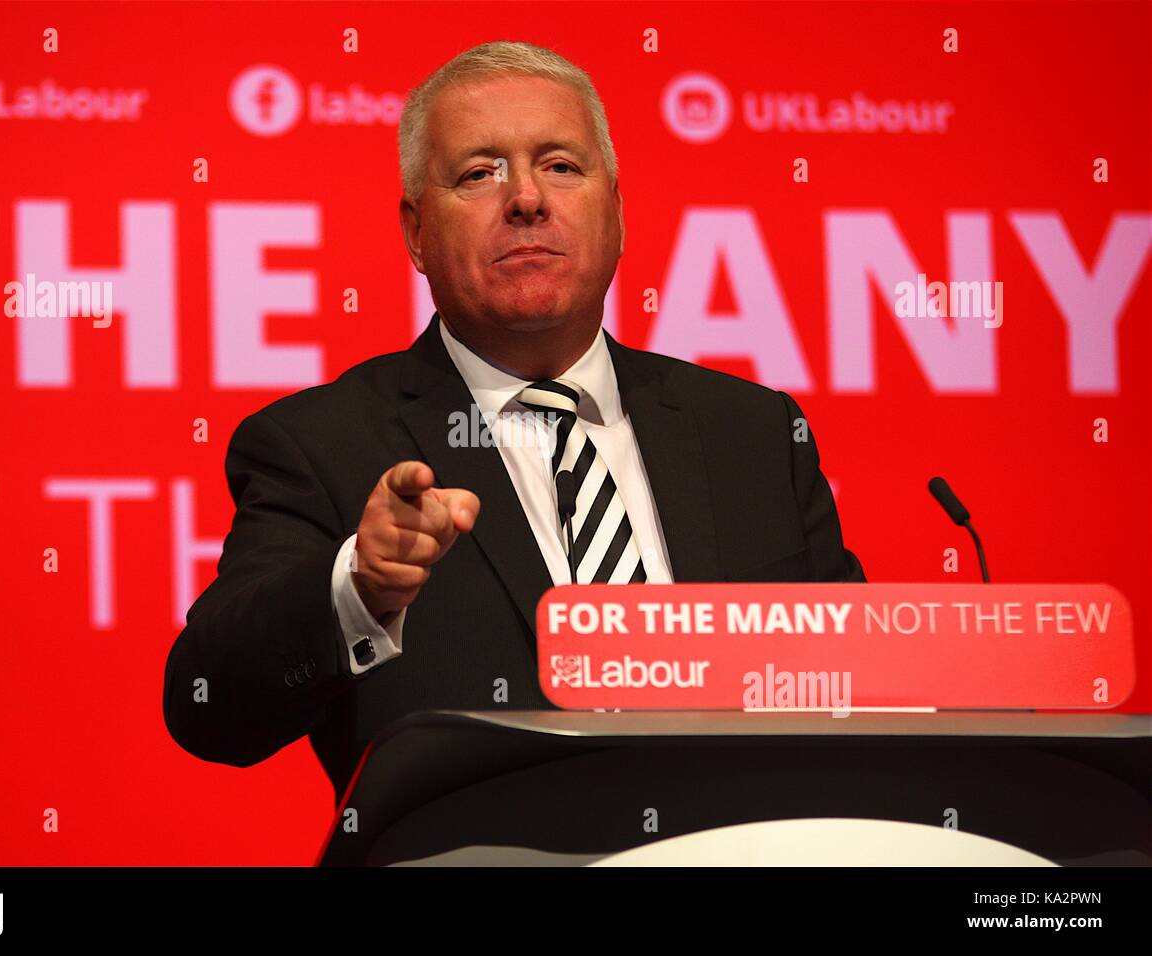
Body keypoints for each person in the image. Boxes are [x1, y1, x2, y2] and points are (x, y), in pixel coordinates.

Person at [162, 41, 865, 801]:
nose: (527, 198)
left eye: (561, 166)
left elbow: (861, 694)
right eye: (479, 173)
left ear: (617, 211)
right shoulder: (323, 444)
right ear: (417, 233)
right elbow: (208, 706)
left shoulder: (752, 434)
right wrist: (358, 587)